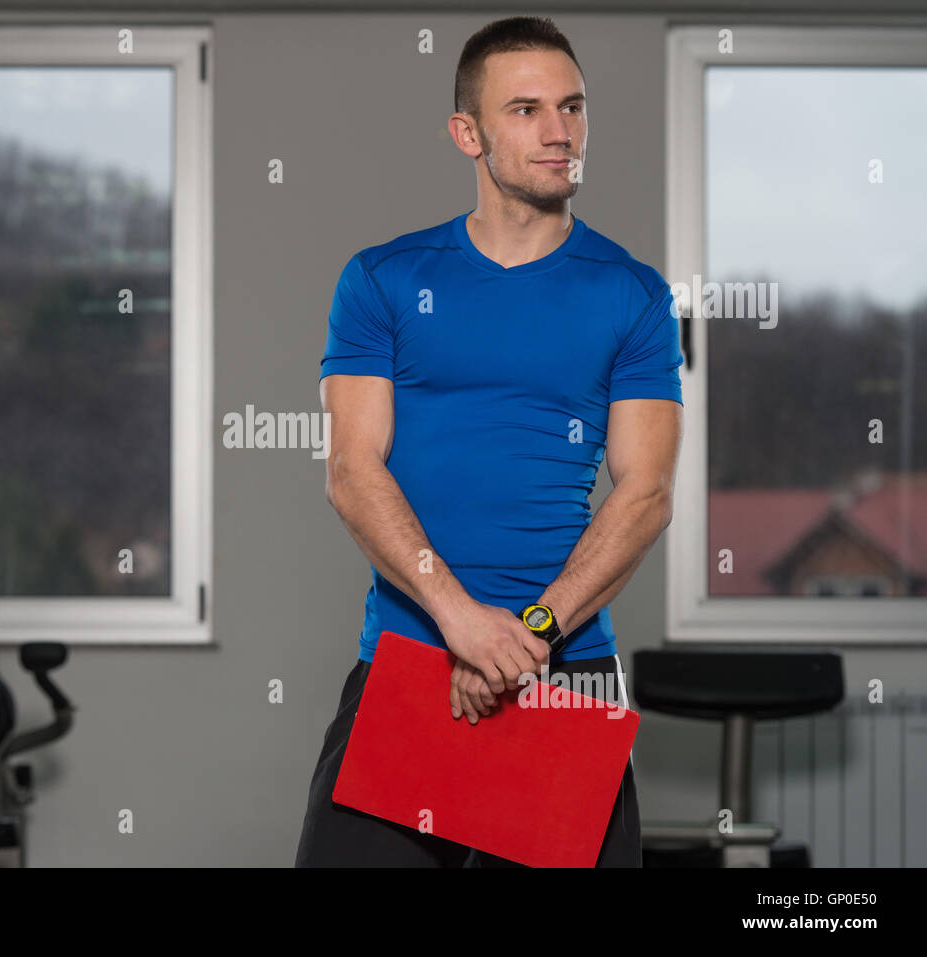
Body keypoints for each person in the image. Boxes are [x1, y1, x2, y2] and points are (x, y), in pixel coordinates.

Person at [295, 15, 684, 867]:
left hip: (566, 671)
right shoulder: (385, 280)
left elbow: (645, 492)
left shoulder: (634, 295)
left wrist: (526, 635)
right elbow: (352, 471)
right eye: (527, 109)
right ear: (467, 133)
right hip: (409, 665)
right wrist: (459, 619)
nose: (559, 132)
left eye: (574, 107)